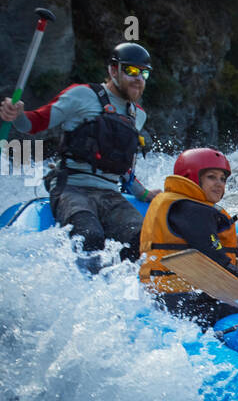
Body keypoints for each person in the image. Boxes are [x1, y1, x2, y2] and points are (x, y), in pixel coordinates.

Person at [0, 42, 158, 261]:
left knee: (142, 241)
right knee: (89, 235)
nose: (138, 79)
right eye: (131, 71)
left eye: (144, 74)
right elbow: (35, 123)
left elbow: (124, 167)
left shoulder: (137, 115)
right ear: (113, 70)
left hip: (110, 194)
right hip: (71, 187)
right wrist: (17, 114)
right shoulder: (81, 95)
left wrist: (143, 193)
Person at [139, 148, 238, 327]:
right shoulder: (192, 210)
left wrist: (233, 246)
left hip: (162, 296)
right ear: (191, 177)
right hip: (183, 300)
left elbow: (196, 247)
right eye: (211, 177)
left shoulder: (178, 204)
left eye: (222, 179)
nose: (219, 184)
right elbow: (220, 267)